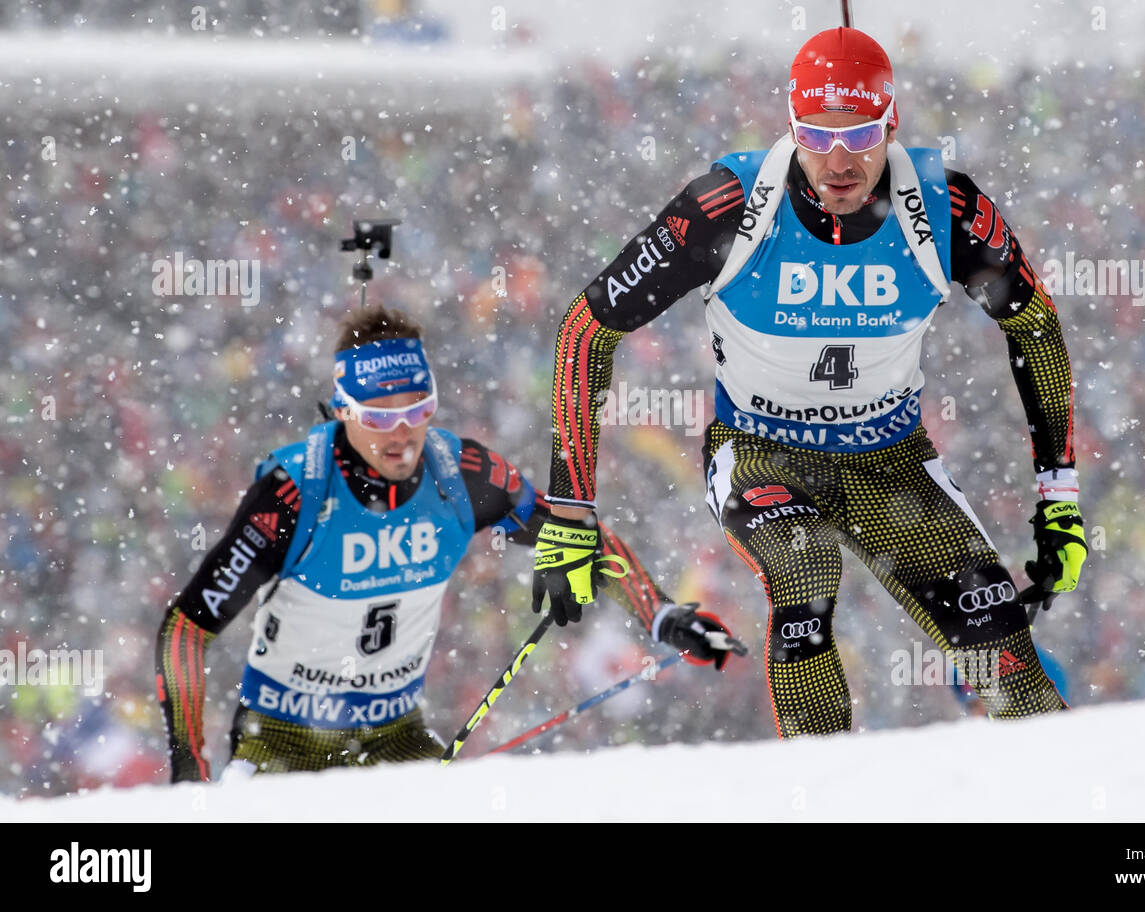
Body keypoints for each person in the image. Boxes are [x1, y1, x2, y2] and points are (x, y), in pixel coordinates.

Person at [532, 27, 1087, 737]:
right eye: (812, 134)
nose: (837, 159)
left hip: (890, 460)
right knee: (805, 570)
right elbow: (587, 326)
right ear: (788, 125)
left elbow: (1034, 327)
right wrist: (571, 514)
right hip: (761, 452)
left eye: (858, 133)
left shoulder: (945, 209)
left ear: (891, 122)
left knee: (998, 633)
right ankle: (818, 794)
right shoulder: (729, 204)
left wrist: (1059, 498)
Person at [155, 305, 744, 781]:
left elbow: (577, 536)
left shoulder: (460, 474)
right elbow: (187, 627)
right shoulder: (295, 492)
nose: (401, 434)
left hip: (396, 733)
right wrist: (190, 765)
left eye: (415, 410)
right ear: (341, 412)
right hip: (283, 738)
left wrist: (664, 615)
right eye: (378, 417)